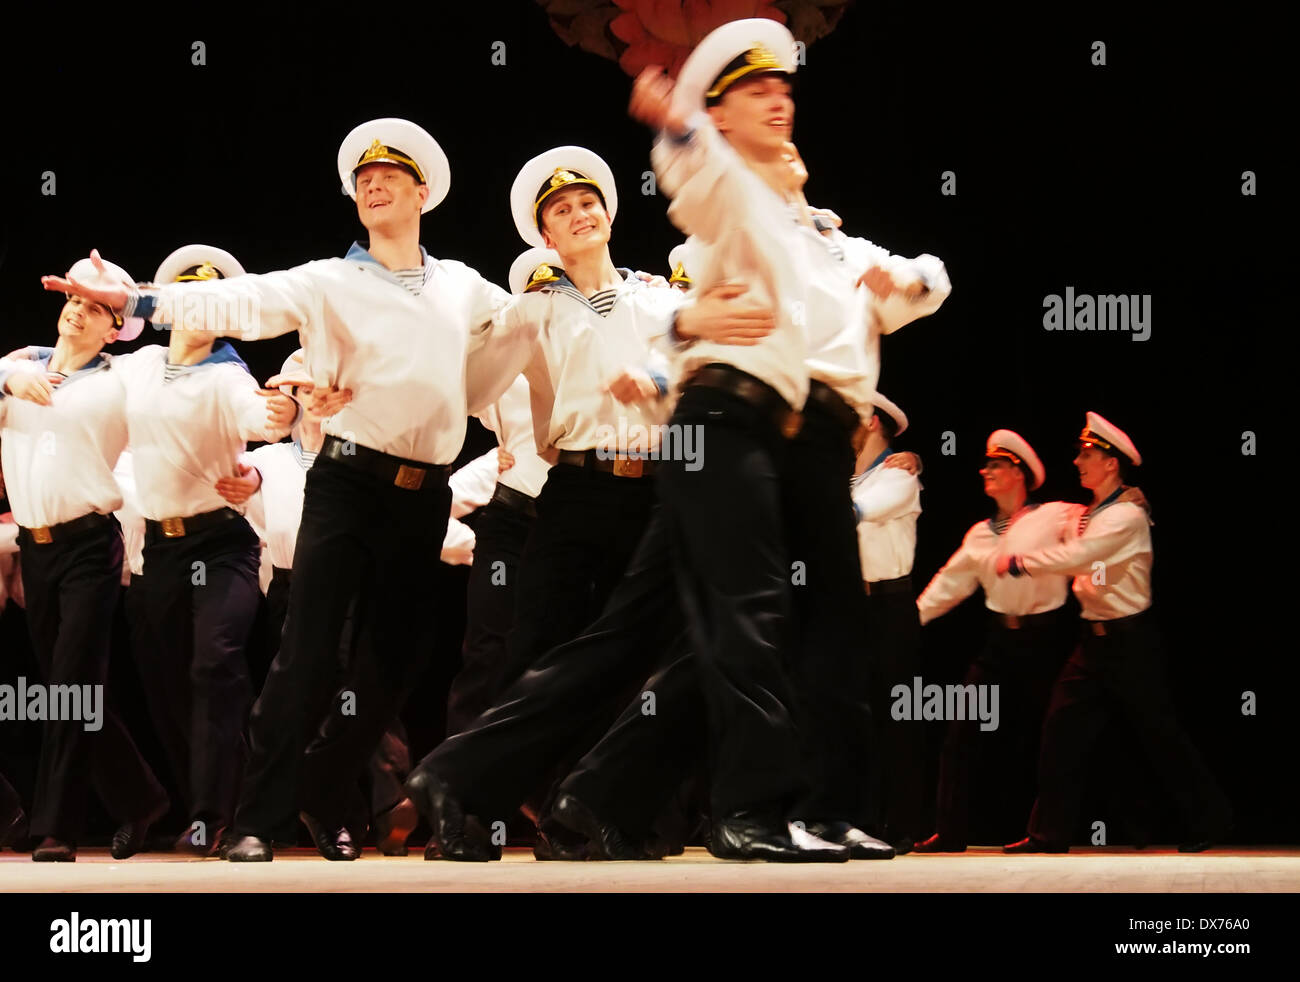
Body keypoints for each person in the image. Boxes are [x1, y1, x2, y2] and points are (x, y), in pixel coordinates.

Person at [404, 18, 855, 863]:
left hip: (663, 469)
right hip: (603, 476)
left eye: (588, 203)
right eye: (561, 209)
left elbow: (687, 321)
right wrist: (681, 124)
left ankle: (545, 791)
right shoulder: (539, 301)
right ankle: (542, 793)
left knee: (650, 644)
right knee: (690, 634)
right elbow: (481, 385)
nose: (579, 215)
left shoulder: (668, 281)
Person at [45, 118, 541, 862]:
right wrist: (137, 301)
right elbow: (235, 303)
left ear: (424, 192)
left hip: (424, 491)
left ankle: (320, 782)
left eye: (391, 177)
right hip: (346, 482)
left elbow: (524, 324)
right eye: (363, 180)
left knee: (394, 665)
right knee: (305, 653)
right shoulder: (329, 280)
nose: (374, 185)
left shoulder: (464, 286)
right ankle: (256, 818)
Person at [0, 256, 179, 862]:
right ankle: (140, 797)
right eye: (73, 299)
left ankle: (54, 826)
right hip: (35, 550)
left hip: (87, 548)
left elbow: (179, 363)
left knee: (69, 684)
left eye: (95, 306)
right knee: (68, 689)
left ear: (114, 327)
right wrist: (5, 379)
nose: (77, 308)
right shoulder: (20, 366)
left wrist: (128, 294)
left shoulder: (122, 377)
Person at [999, 413, 1233, 853]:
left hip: (1130, 642)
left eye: (1087, 454)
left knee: (1159, 734)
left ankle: (1211, 819)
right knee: (1060, 730)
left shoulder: (1125, 516)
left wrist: (1023, 563)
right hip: (1093, 641)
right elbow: (1067, 535)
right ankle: (1048, 834)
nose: (1078, 461)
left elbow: (1084, 554)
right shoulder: (1090, 512)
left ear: (1111, 464)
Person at [911, 430, 1076, 852]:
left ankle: (1050, 833)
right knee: (962, 730)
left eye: (997, 465)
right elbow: (948, 585)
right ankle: (950, 832)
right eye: (986, 464)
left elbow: (1098, 533)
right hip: (1000, 642)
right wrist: (907, 623)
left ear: (1019, 472)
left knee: (1056, 735)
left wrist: (1131, 498)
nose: (986, 470)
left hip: (1047, 638)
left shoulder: (1056, 515)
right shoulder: (980, 534)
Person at [444, 249, 555, 736]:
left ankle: (545, 785)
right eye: (536, 295)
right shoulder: (502, 363)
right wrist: (495, 458)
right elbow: (459, 390)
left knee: (553, 648)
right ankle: (456, 788)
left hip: (573, 513)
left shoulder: (589, 350)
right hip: (510, 515)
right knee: (487, 644)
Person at [849, 393, 925, 853]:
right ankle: (857, 817)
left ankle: (900, 822)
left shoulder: (899, 475)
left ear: (874, 421)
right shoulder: (853, 477)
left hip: (889, 607)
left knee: (896, 717)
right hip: (854, 607)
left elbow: (859, 512)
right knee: (853, 714)